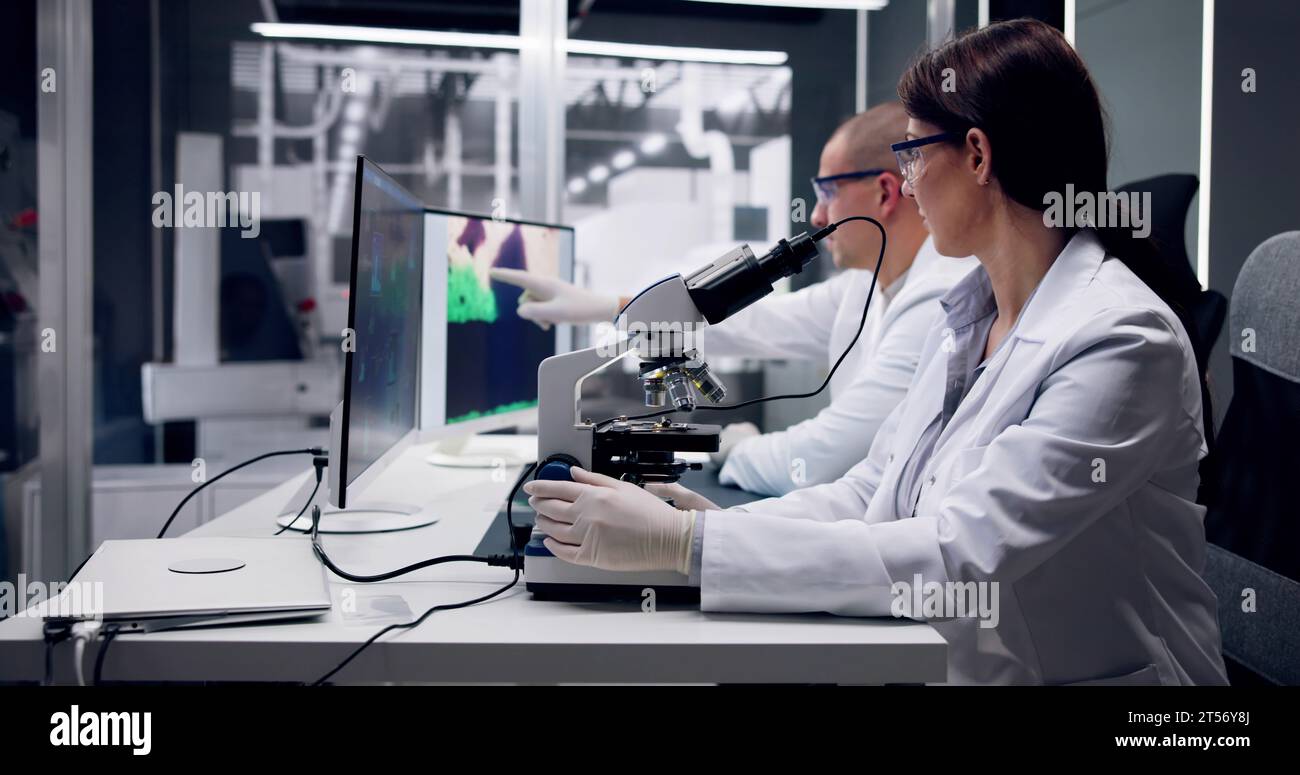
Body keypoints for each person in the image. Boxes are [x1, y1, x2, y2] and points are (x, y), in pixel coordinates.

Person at [523, 18, 1228, 685]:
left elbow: (960, 555)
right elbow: (874, 490)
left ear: (977, 155)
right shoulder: (970, 313)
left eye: (913, 153)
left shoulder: (1121, 342)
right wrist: (709, 526)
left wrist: (685, 549)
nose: (909, 180)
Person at [493, 102, 972, 496]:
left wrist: (729, 445)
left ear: (887, 193)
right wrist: (608, 305)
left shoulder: (935, 298)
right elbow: (754, 323)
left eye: (828, 191)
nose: (820, 214)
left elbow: (822, 457)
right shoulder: (865, 288)